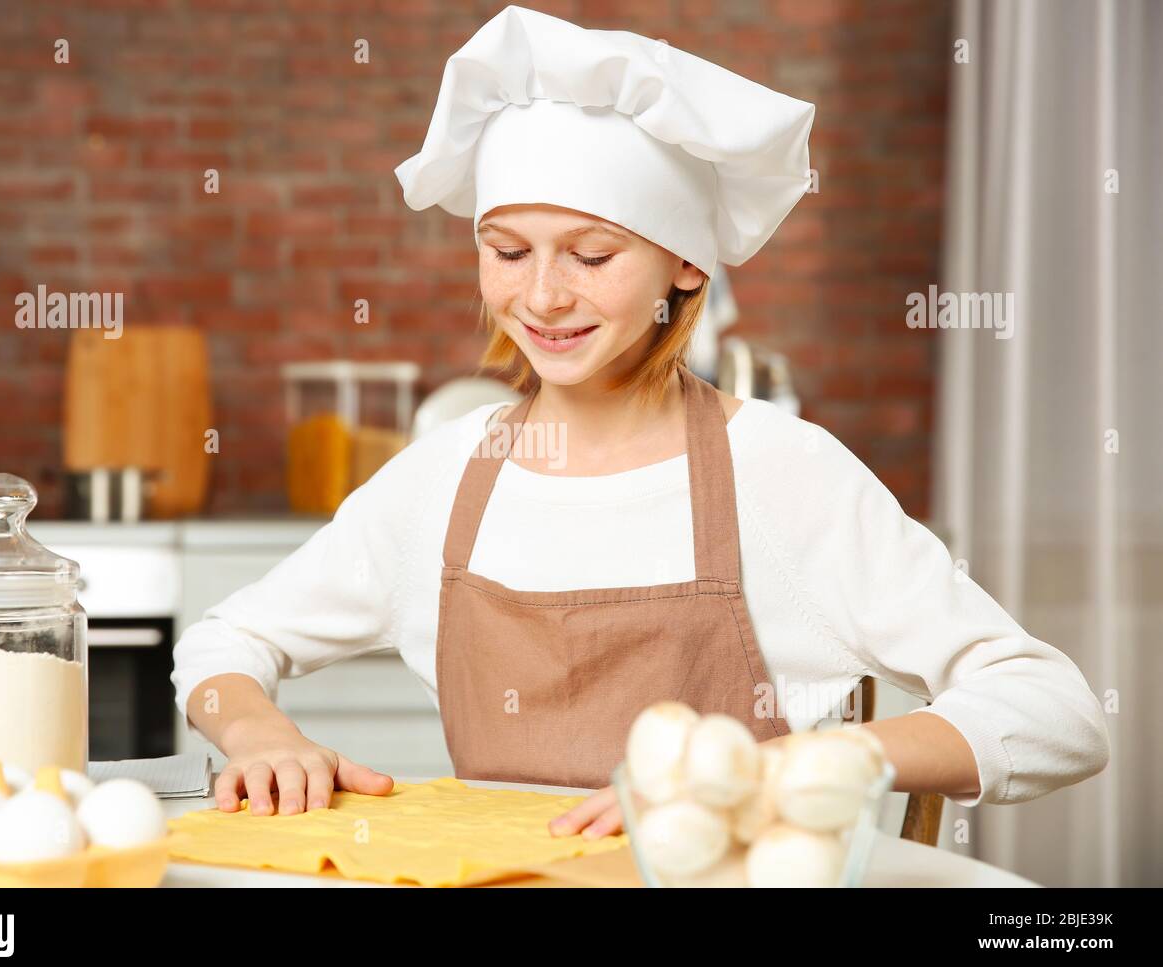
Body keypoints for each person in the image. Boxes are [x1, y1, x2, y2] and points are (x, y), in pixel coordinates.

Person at [172, 5, 1109, 838]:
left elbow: (1058, 709)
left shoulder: (782, 474)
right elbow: (222, 642)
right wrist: (260, 733)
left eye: (590, 253)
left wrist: (780, 769)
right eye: (506, 250)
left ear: (687, 267)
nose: (541, 295)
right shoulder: (444, 480)